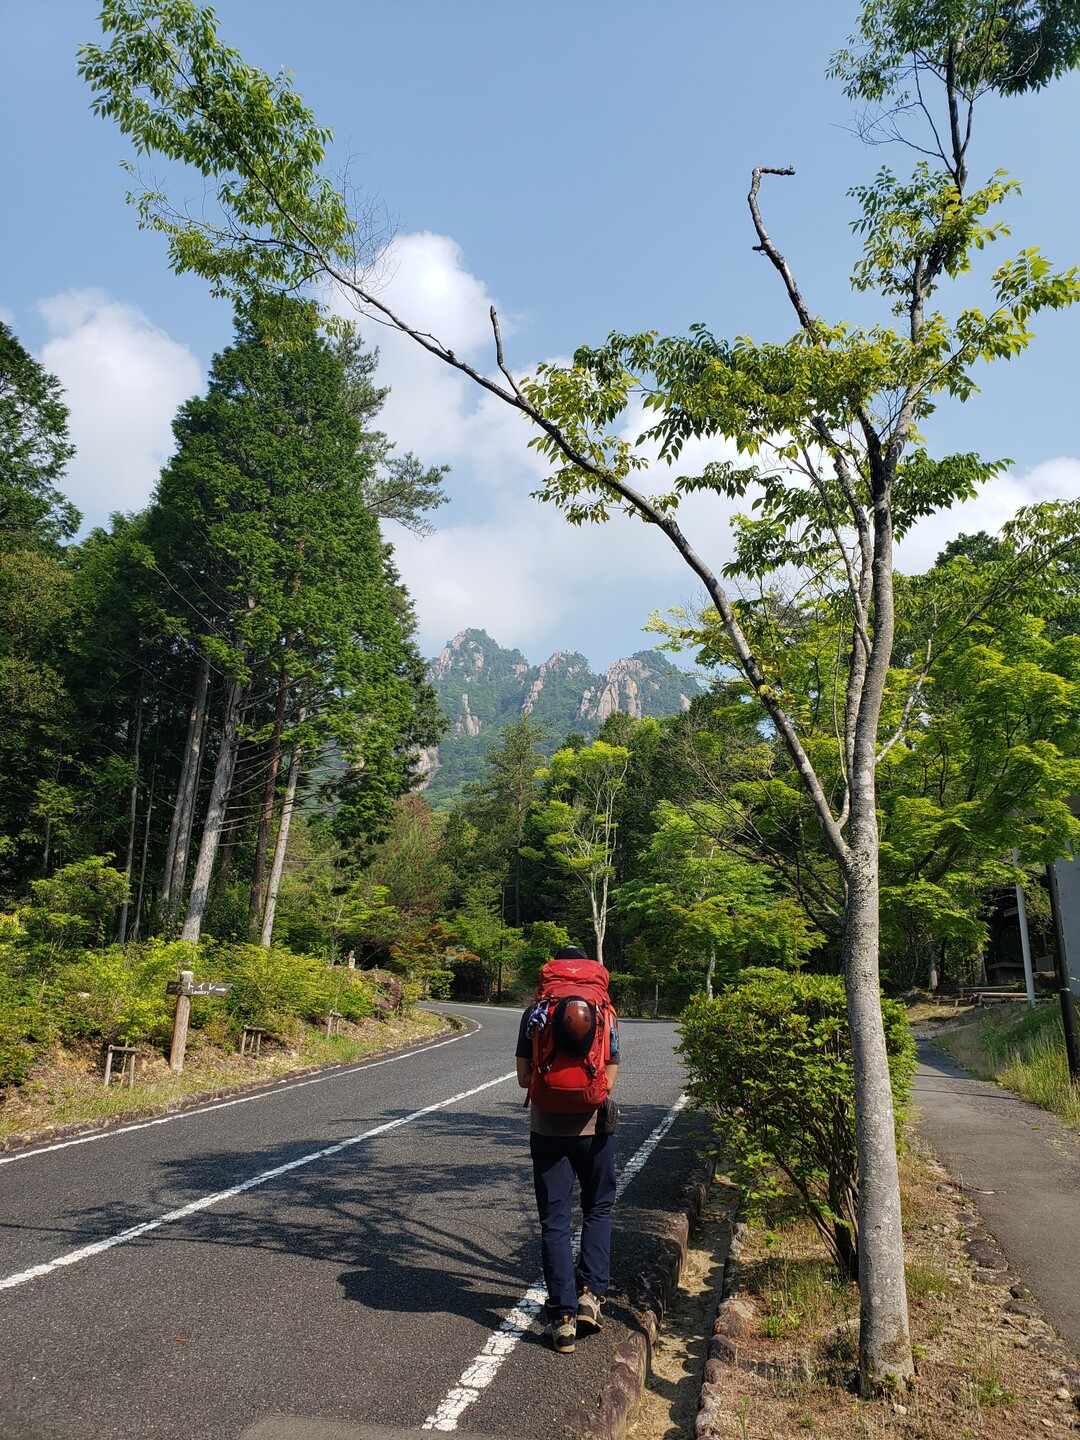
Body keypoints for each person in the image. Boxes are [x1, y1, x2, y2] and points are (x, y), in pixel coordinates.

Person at [516, 945, 619, 1354]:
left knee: (554, 1222)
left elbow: (525, 1079)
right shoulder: (605, 1012)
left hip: (546, 1130)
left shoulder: (535, 1012)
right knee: (598, 1208)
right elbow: (608, 1079)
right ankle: (591, 1297)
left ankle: (561, 1319)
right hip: (593, 1129)